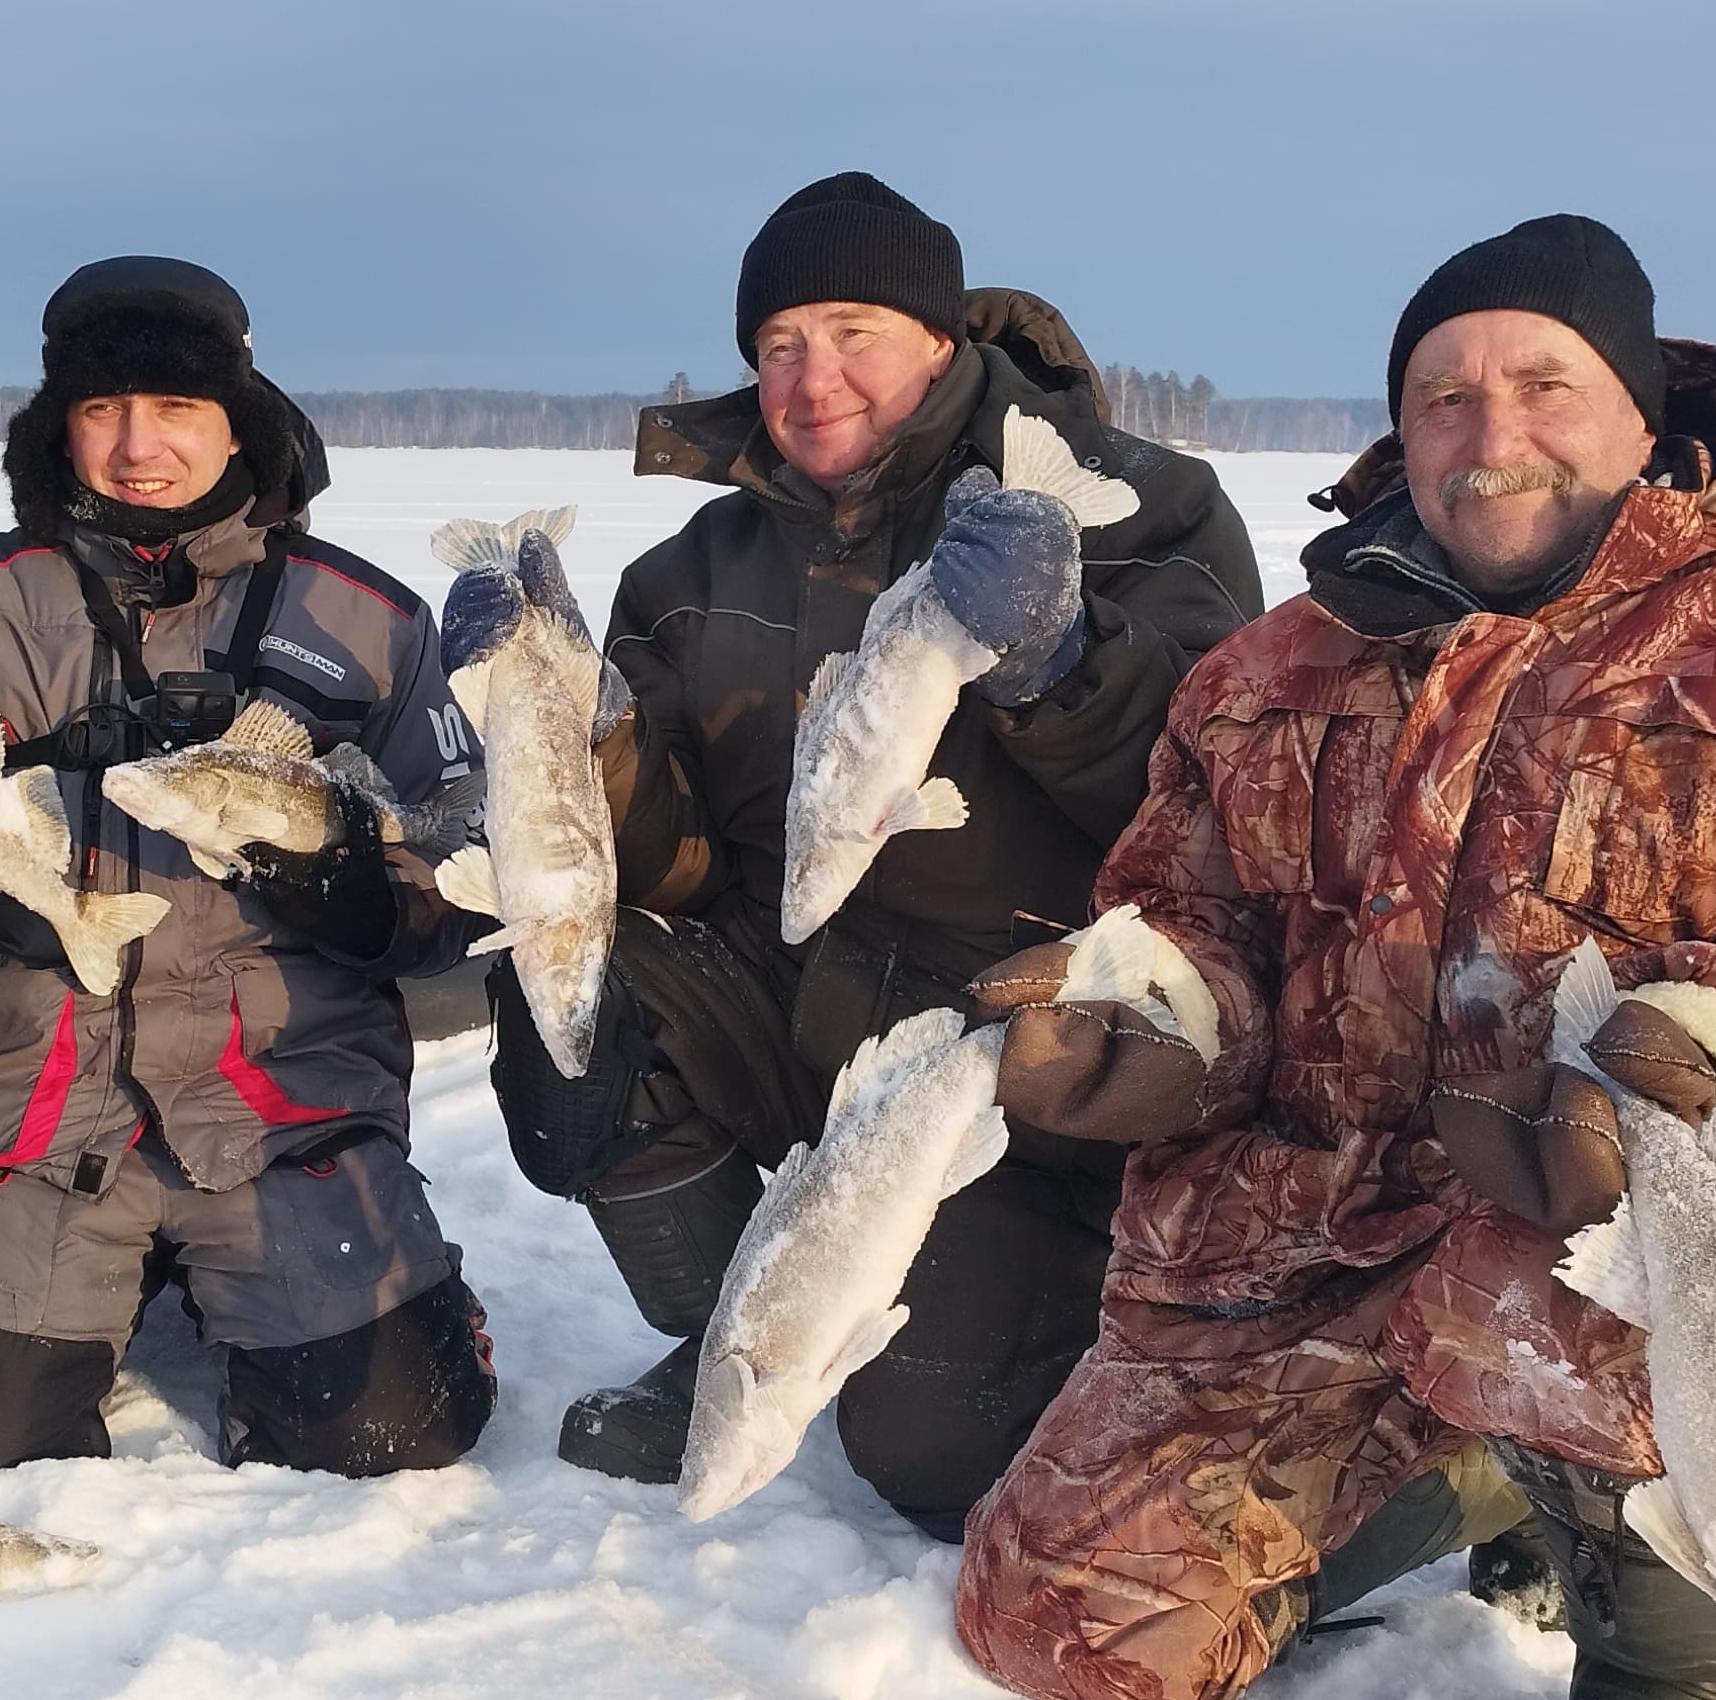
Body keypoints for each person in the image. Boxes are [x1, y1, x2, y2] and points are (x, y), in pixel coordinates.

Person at [953, 214, 1716, 1700]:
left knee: (1565, 1313)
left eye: (1545, 383)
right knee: (1052, 1624)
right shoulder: (1271, 669)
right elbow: (1186, 911)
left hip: (1634, 1279)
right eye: (1443, 394)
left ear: (1642, 414)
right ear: (1400, 429)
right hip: (1304, 1239)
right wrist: (1163, 1017)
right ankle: (1476, 1482)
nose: (1491, 430)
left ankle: (1671, 1599)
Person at [486, 171, 1264, 1536]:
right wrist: (587, 732)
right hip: (803, 1013)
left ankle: (1177, 1369)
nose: (811, 375)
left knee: (936, 1448)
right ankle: (733, 1321)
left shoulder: (1135, 507)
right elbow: (663, 871)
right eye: (777, 343)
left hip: (1018, 1059)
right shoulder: (692, 568)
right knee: (567, 990)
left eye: (853, 329)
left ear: (941, 337)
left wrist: (1058, 663)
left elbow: (1227, 809)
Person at [0, 256, 495, 1484]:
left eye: (175, 410)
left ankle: (330, 1294)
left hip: (283, 1106)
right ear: (58, 426)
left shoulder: (363, 619)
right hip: (28, 1096)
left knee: (390, 1433)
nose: (137, 448)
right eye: (102, 410)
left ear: (240, 423)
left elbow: (470, 862)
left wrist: (369, 893)